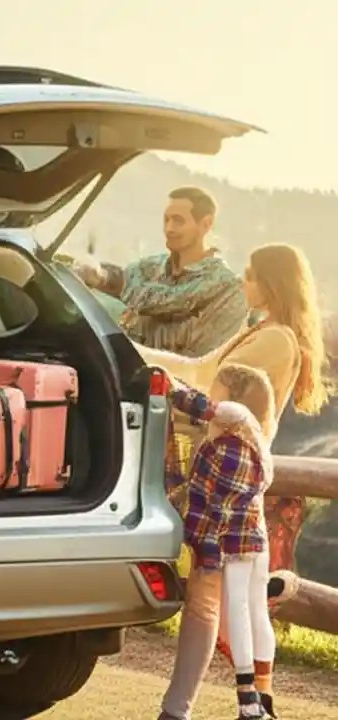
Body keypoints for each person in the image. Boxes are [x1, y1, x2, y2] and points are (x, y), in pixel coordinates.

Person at [143, 242, 329, 720]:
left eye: (249, 275)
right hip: (238, 491)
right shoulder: (263, 330)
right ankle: (247, 705)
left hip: (231, 491)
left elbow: (209, 386)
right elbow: (205, 371)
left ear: (270, 282)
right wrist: (147, 358)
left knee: (221, 605)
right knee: (235, 606)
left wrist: (145, 363)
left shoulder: (276, 340)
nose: (243, 283)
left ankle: (212, 706)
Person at [162, 365, 277, 720]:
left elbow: (205, 501)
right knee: (244, 614)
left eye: (217, 392)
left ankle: (183, 709)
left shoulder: (229, 445)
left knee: (208, 612)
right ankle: (259, 698)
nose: (210, 399)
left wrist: (168, 386)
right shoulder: (254, 443)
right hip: (249, 542)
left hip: (223, 541)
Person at [77, 186, 249, 357]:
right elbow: (120, 279)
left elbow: (204, 357)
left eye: (178, 221)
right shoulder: (149, 267)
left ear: (206, 224)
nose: (169, 229)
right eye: (166, 220)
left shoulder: (228, 289)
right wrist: (96, 274)